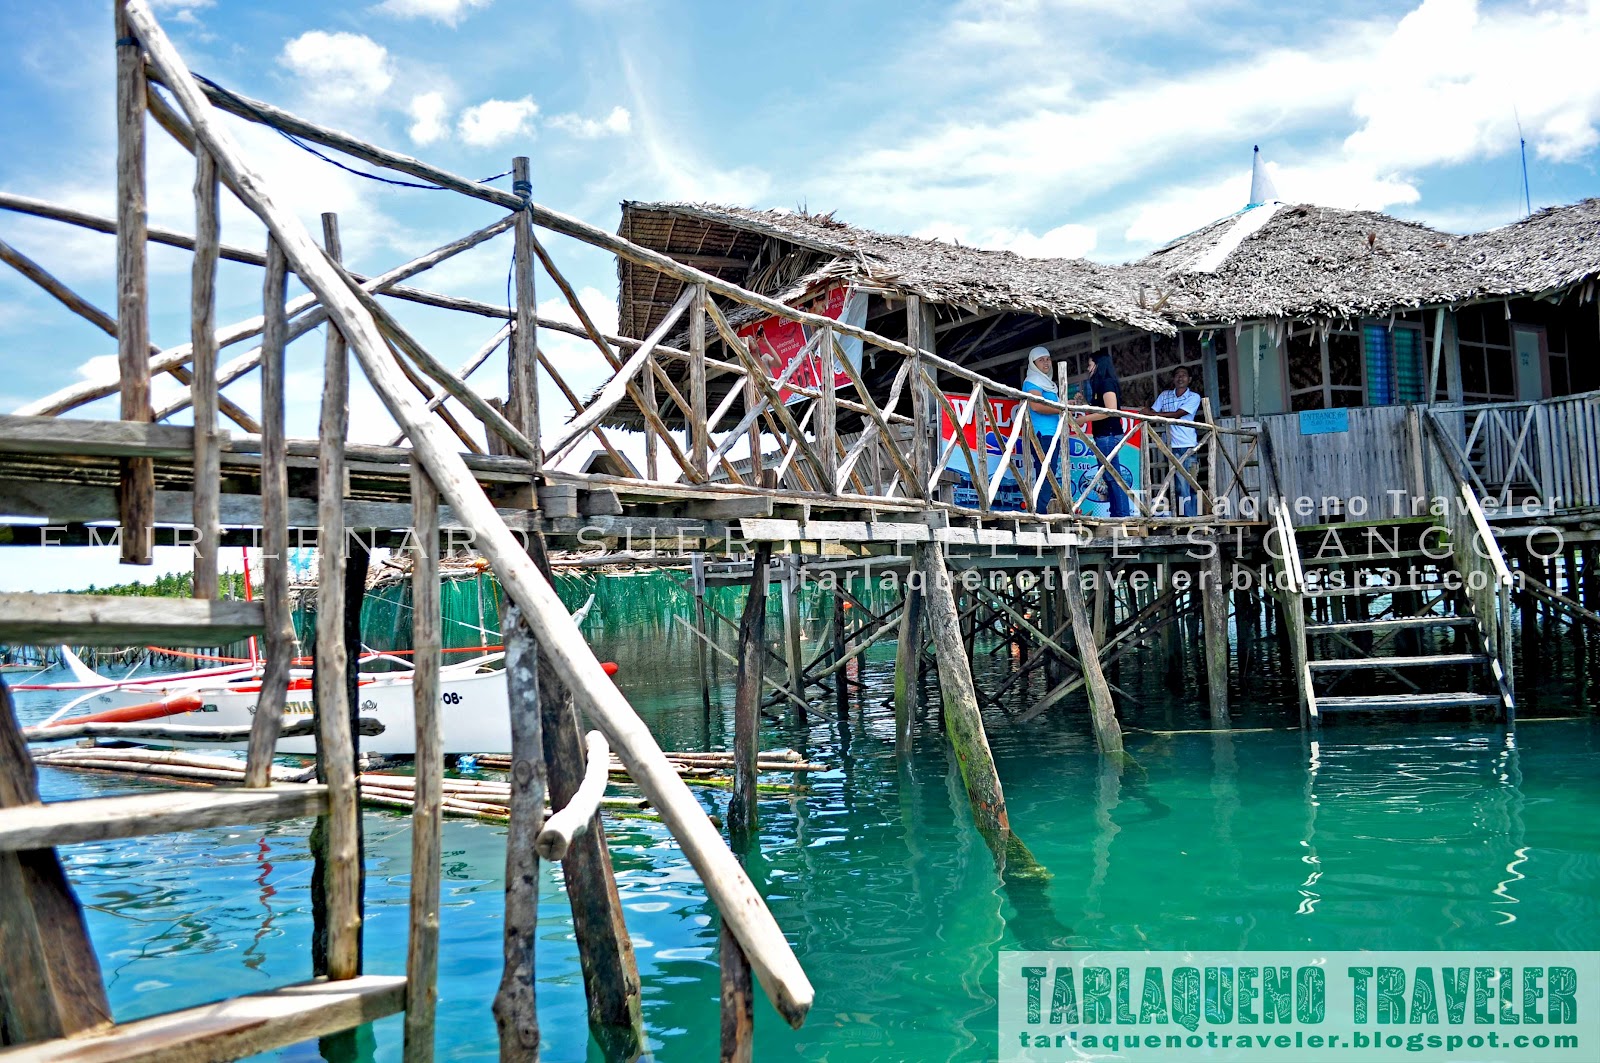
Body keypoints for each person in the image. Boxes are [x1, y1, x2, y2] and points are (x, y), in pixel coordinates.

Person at [1075, 351, 1131, 518]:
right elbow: (1101, 409)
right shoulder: (1099, 385)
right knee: (1108, 476)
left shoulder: (1106, 383)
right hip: (1103, 435)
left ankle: (1122, 514)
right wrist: (1084, 404)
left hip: (1109, 434)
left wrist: (1084, 418)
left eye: (1090, 364)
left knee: (1112, 476)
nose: (1088, 368)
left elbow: (1110, 411)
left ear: (1098, 364)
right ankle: (1117, 513)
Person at [1142, 366, 1203, 516]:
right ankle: (1189, 518)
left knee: (1189, 484)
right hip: (1170, 446)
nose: (1180, 378)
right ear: (1173, 379)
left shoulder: (1193, 397)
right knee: (1180, 485)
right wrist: (1149, 413)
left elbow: (1177, 415)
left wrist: (1151, 413)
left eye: (1184, 375)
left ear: (1189, 380)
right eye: (1177, 375)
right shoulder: (1164, 396)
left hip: (1188, 446)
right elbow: (1153, 414)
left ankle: (1191, 518)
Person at [1021, 346, 1061, 513]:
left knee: (1048, 473)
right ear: (1033, 363)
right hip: (1042, 434)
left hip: (1052, 433)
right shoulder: (1032, 381)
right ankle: (1040, 511)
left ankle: (1040, 509)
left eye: (1048, 358)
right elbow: (1036, 406)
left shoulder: (1049, 384)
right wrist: (1062, 408)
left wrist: (1066, 405)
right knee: (1045, 473)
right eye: (1041, 360)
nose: (1046, 362)